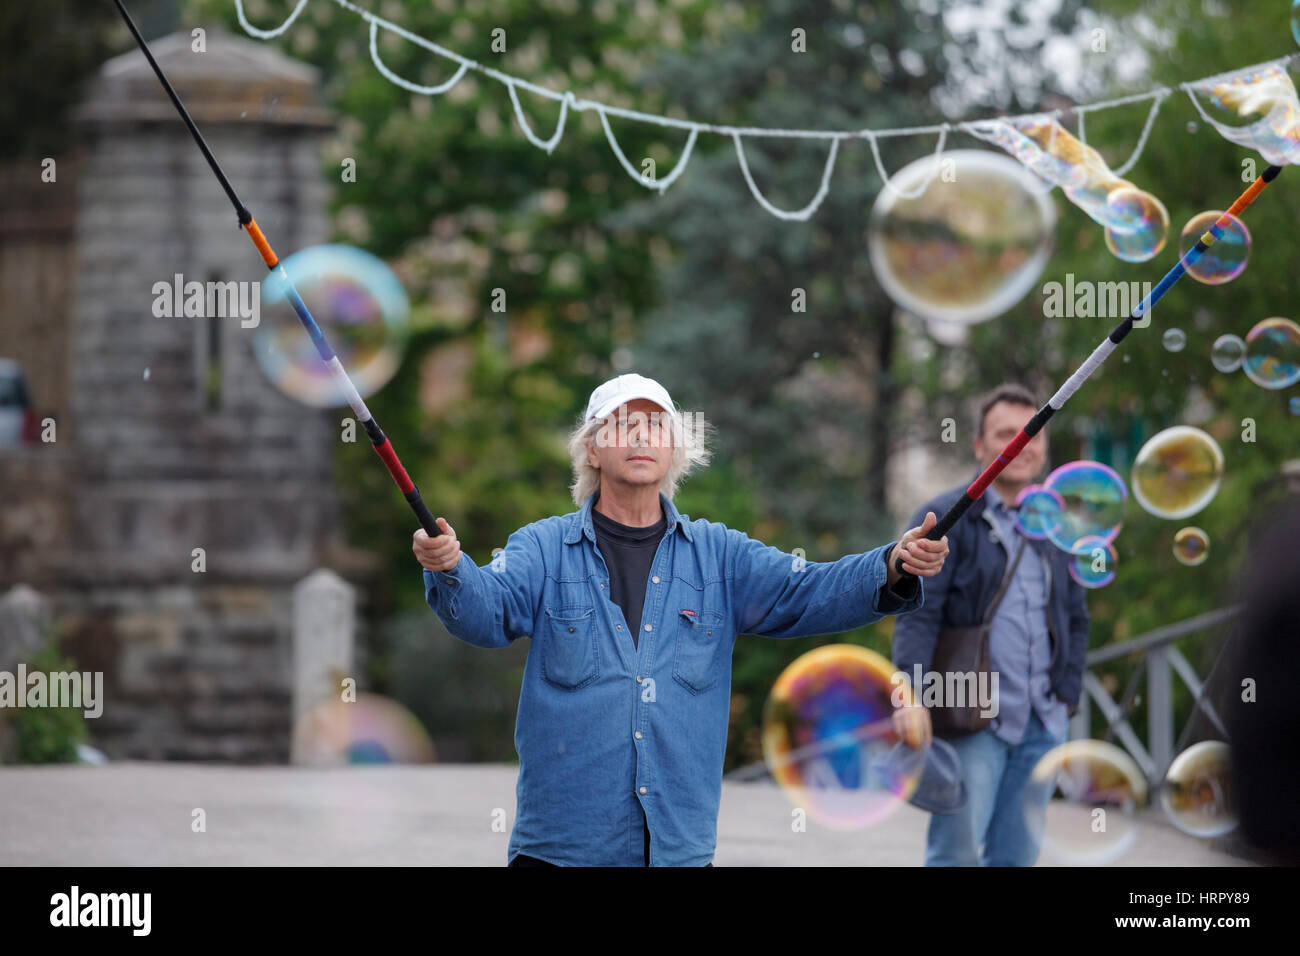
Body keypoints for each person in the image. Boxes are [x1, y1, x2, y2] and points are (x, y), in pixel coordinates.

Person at [412, 373, 948, 866]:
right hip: (560, 851)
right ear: (593, 450)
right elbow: (486, 613)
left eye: (655, 426)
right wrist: (451, 568)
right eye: (623, 424)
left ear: (673, 450)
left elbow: (811, 588)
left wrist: (893, 563)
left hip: (677, 851)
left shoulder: (720, 555)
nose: (641, 437)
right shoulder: (544, 547)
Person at [892, 383, 1090, 867]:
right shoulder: (946, 516)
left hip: (1042, 722)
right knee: (955, 857)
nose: (1023, 443)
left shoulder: (1058, 525)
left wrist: (1066, 695)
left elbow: (1075, 617)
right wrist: (911, 694)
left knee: (1016, 858)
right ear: (980, 446)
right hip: (970, 719)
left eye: (1033, 433)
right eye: (1007, 433)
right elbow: (918, 616)